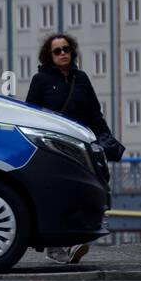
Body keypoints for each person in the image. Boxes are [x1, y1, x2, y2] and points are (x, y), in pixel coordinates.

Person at [25, 32, 112, 265]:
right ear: (49, 55)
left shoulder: (81, 79)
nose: (63, 53)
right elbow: (30, 116)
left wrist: (106, 138)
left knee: (81, 192)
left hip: (79, 148)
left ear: (72, 51)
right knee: (55, 194)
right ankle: (55, 247)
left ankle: (74, 241)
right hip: (51, 148)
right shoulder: (40, 80)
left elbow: (95, 113)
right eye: (57, 51)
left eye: (66, 49)